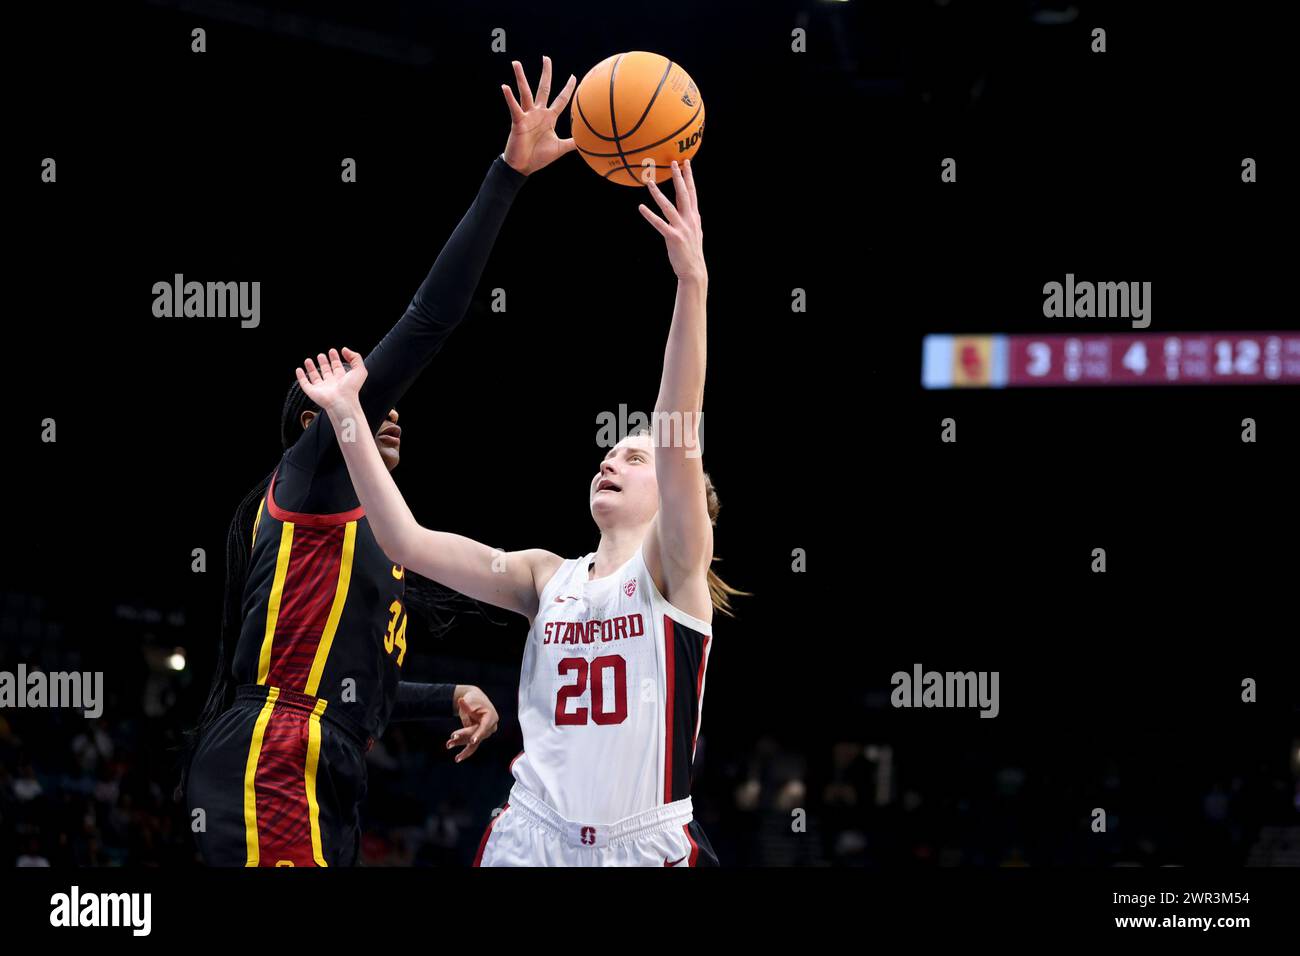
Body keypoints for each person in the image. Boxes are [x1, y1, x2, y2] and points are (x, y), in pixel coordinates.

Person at [182, 56, 579, 866]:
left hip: (324, 760)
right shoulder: (315, 469)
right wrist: (508, 174)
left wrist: (447, 697)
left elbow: (358, 690)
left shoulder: (379, 539)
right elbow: (431, 320)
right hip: (273, 754)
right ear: (315, 424)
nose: (381, 406)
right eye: (357, 396)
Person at [294, 157, 745, 866]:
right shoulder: (545, 576)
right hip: (531, 835)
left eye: (634, 458)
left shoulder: (676, 571)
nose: (611, 462)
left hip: (644, 842)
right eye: (610, 454)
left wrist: (693, 282)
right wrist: (349, 417)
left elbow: (678, 426)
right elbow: (406, 540)